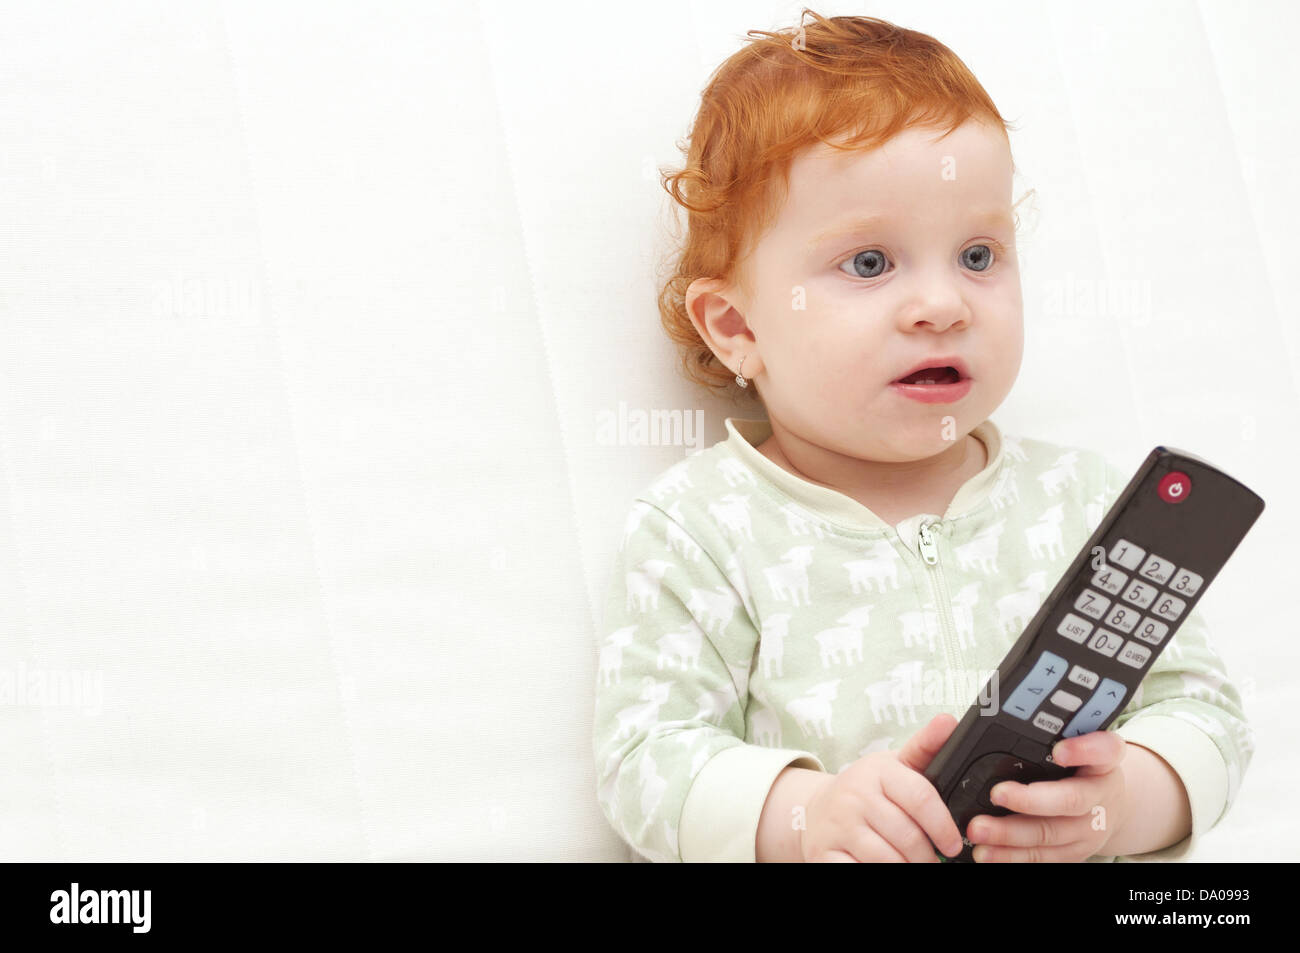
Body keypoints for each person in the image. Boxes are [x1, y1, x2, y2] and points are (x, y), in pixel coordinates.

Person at [591, 9, 1253, 863]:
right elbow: (642, 757)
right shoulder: (701, 528)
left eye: (978, 255)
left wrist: (1129, 803)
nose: (944, 304)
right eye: (869, 263)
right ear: (736, 326)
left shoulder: (1081, 502)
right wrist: (806, 812)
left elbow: (1209, 715)